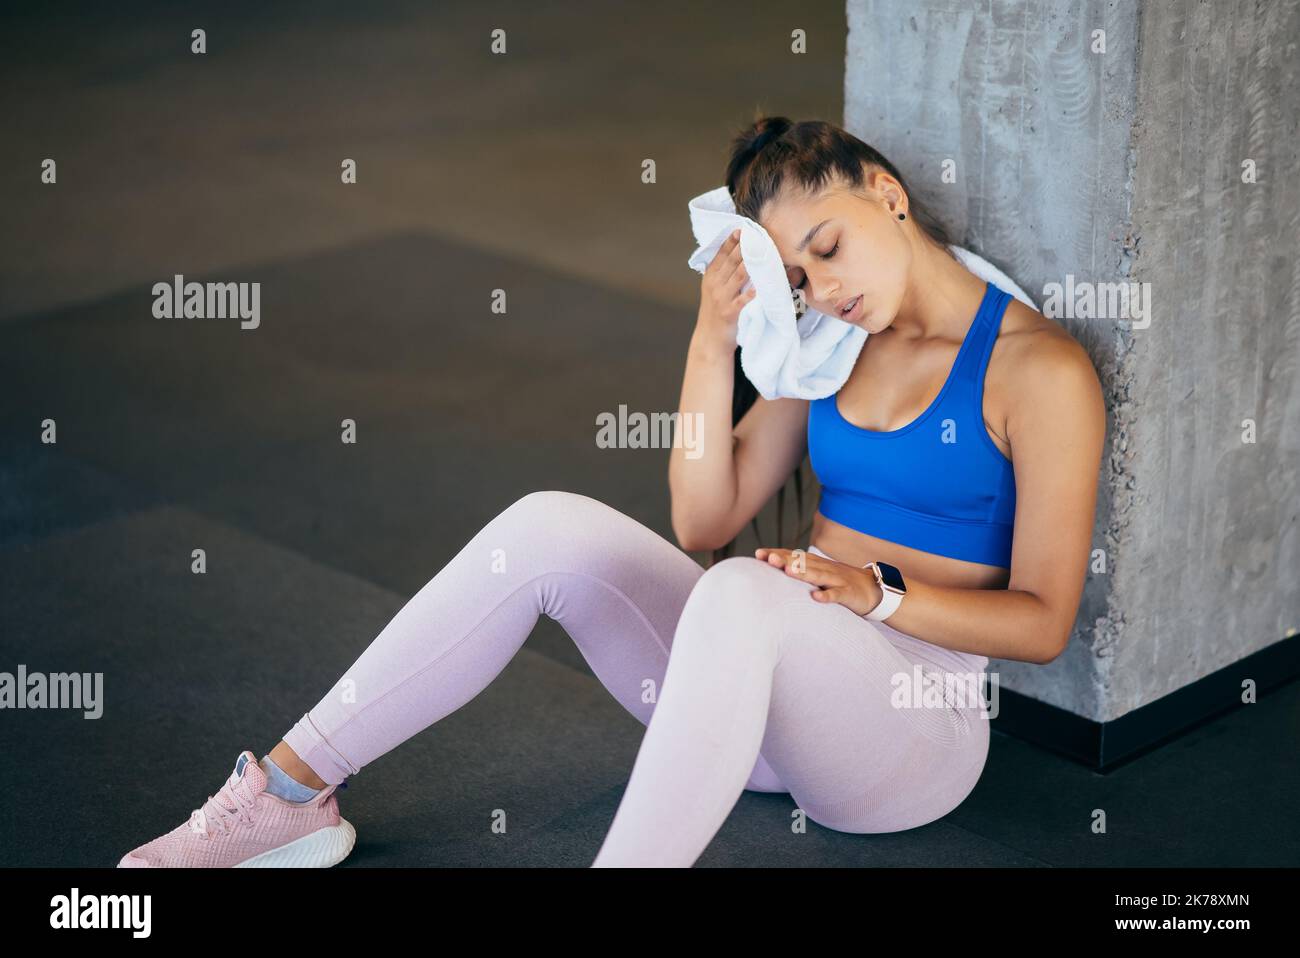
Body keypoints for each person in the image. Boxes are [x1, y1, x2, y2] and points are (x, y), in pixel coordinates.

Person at [117, 116, 1105, 869]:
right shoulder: (833, 349)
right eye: (797, 275)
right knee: (546, 525)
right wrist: (712, 339)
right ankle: (288, 795)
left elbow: (1044, 620)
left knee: (741, 590)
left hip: (906, 737)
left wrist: (875, 596)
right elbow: (701, 518)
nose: (821, 286)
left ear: (886, 194)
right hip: (762, 713)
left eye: (829, 246)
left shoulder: (1037, 371)